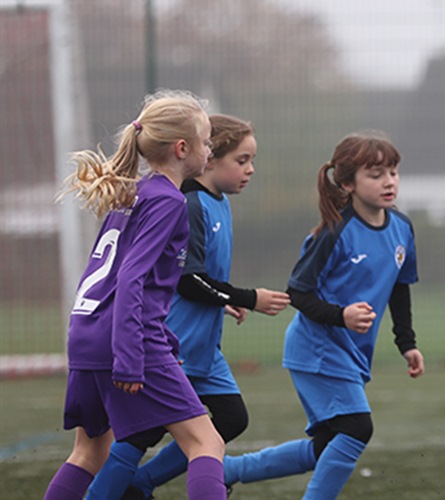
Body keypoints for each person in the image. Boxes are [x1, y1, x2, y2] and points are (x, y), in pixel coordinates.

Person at [85, 115, 293, 500]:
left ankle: (141, 484)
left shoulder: (219, 204)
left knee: (231, 418)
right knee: (142, 435)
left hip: (204, 347)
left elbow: (196, 278)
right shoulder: (188, 204)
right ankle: (115, 491)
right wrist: (246, 298)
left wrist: (223, 304)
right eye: (242, 160)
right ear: (208, 158)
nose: (250, 169)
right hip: (174, 344)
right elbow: (186, 281)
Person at [219, 131, 424, 500]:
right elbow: (298, 292)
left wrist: (406, 343)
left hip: (351, 351)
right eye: (375, 175)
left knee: (329, 442)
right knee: (356, 429)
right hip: (316, 348)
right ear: (347, 183)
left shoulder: (402, 228)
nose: (389, 181)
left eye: (392, 171)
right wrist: (341, 315)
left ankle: (231, 470)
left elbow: (398, 286)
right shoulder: (334, 232)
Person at [45, 90, 227, 500]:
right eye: (207, 140)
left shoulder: (130, 194)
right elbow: (130, 279)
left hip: (88, 333)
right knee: (205, 443)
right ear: (183, 149)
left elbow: (102, 275)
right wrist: (130, 357)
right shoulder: (168, 201)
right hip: (124, 342)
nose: (210, 149)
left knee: (90, 450)